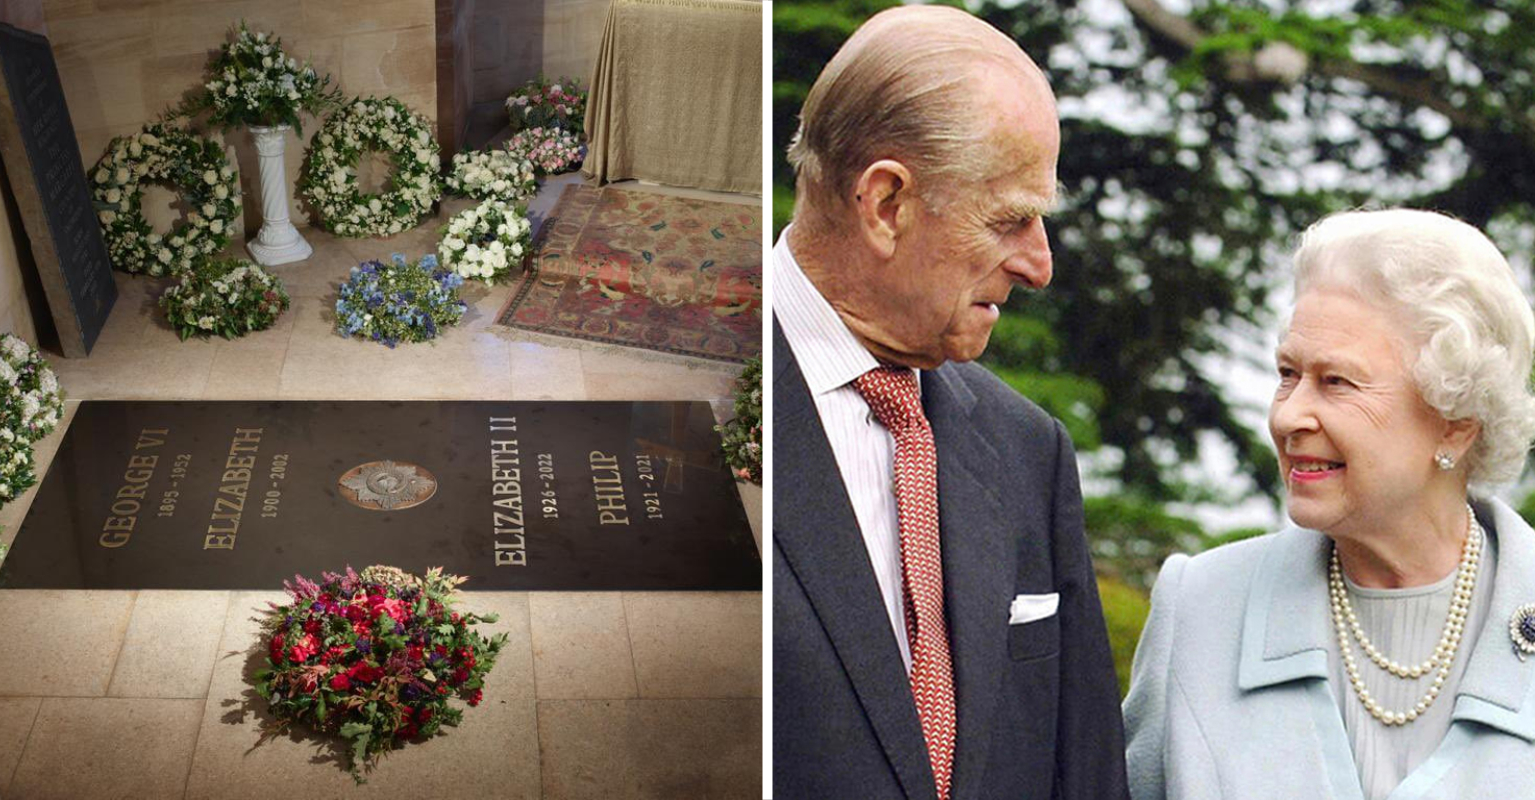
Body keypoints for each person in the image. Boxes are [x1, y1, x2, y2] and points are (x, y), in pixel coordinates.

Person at [772, 6, 1129, 798]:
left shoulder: (1029, 449)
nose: (1038, 264)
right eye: (1011, 219)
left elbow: (1087, 773)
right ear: (886, 203)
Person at [1123, 209, 1535, 799]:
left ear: (1455, 424)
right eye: (1288, 373)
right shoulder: (1200, 611)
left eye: (1337, 382)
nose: (1288, 416)